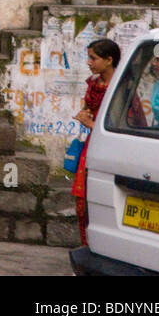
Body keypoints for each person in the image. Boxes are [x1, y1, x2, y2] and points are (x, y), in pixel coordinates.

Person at [71, 38, 122, 245]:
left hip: (110, 147)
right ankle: (88, 245)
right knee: (82, 201)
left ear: (109, 60)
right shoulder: (94, 83)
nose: (89, 63)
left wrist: (91, 125)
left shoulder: (120, 87)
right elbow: (89, 109)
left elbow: (117, 126)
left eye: (93, 58)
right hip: (91, 144)